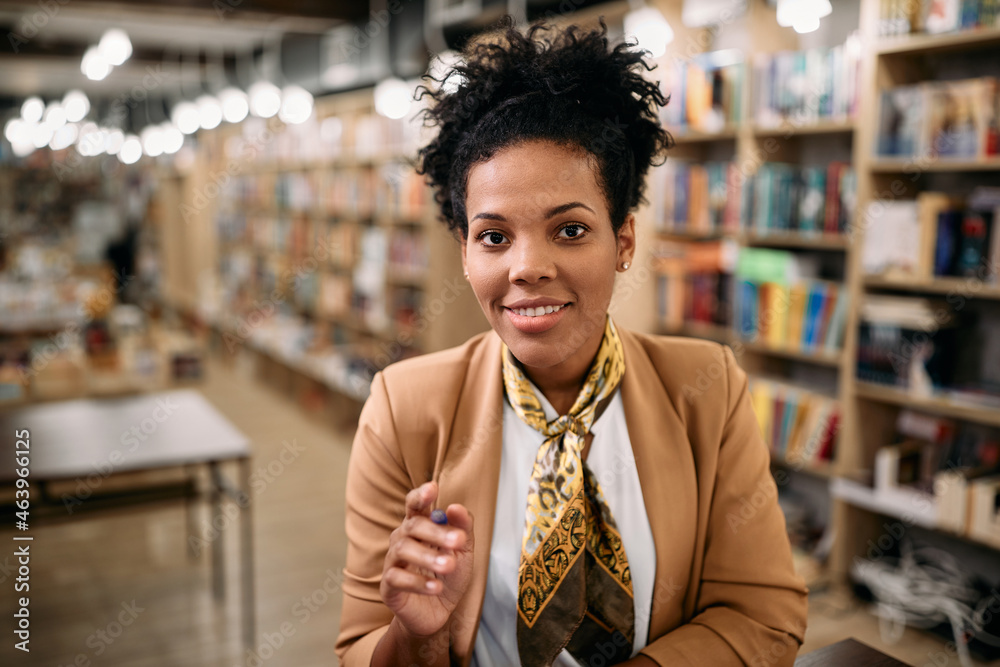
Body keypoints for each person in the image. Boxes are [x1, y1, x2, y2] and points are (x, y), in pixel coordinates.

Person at [336, 17, 808, 667]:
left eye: (569, 230)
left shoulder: (706, 388)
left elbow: (764, 614)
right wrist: (418, 634)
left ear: (624, 241)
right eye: (494, 237)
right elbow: (360, 647)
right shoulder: (403, 408)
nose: (526, 267)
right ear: (467, 255)